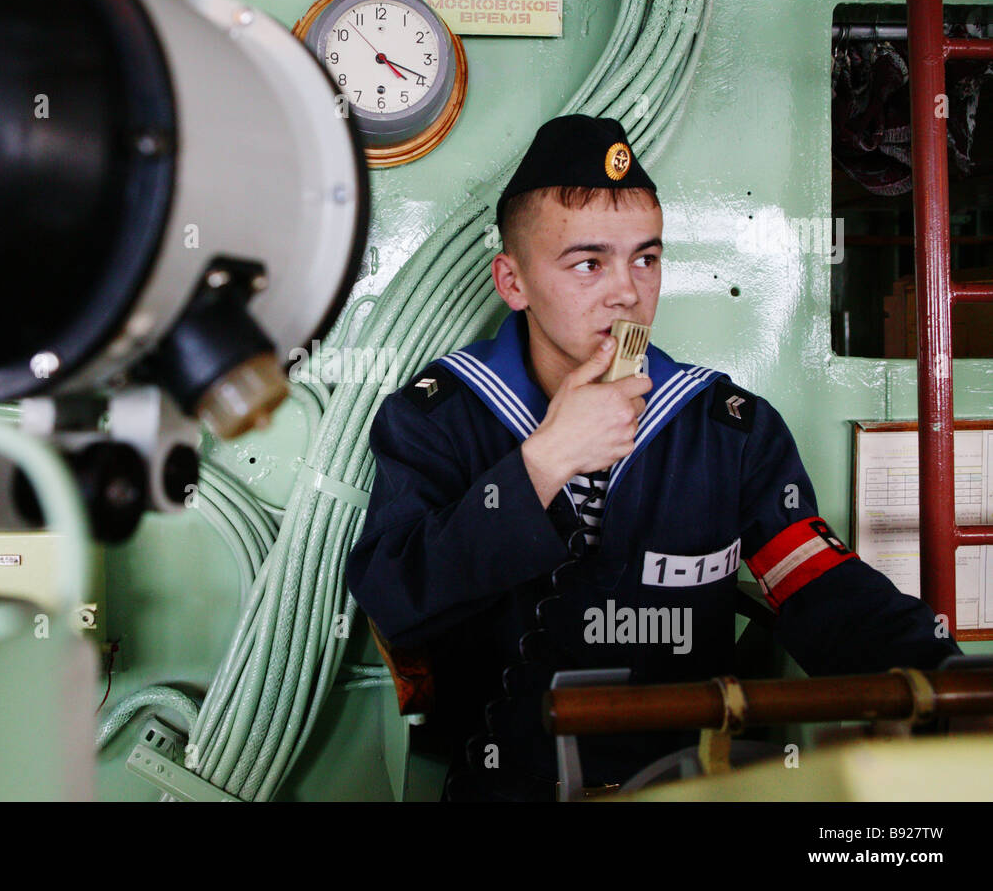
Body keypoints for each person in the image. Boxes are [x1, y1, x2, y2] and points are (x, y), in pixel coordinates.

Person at [343, 114, 961, 802]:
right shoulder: (438, 417)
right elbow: (395, 600)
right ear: (512, 282)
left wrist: (946, 678)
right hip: (503, 781)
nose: (627, 291)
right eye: (588, 262)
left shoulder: (729, 428)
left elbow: (820, 586)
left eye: (646, 258)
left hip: (687, 777)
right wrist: (543, 463)